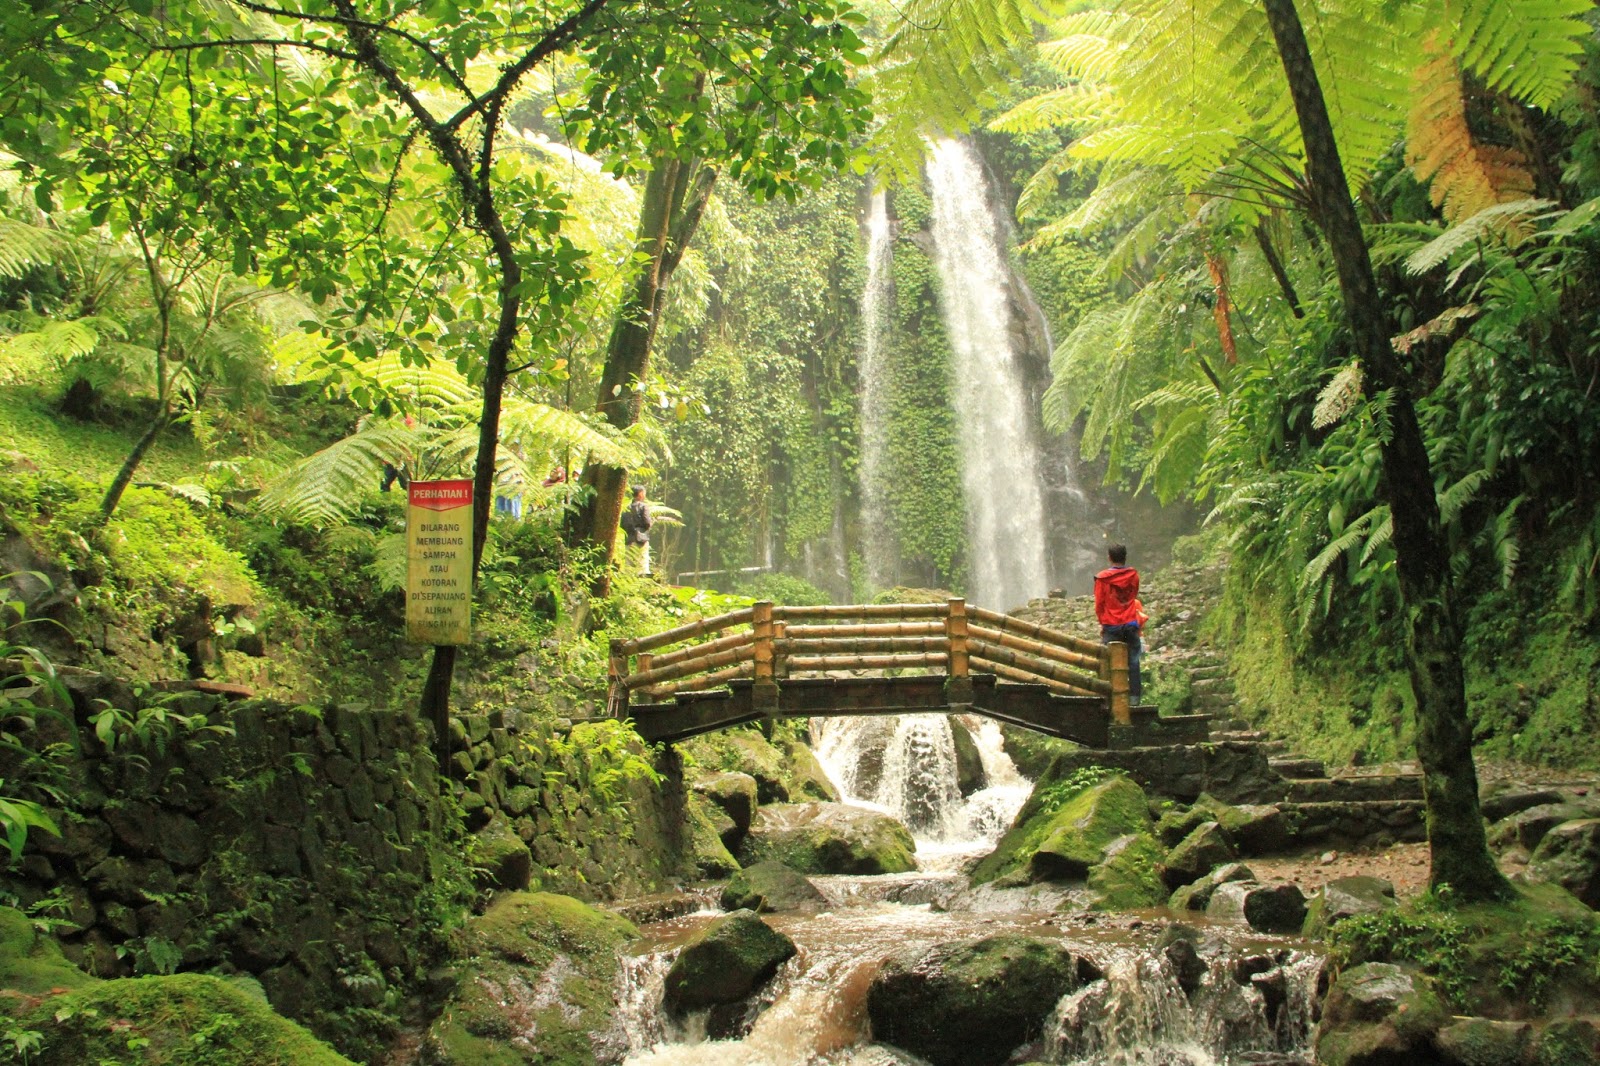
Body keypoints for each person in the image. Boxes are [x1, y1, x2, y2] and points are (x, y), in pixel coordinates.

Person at [1094, 543, 1143, 706]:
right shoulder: (1133, 575)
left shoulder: (1102, 579)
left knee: (1106, 661)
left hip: (1111, 624)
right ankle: (1134, 698)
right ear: (1125, 557)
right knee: (1134, 660)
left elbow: (1099, 604)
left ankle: (1108, 699)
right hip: (1130, 622)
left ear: (1109, 557)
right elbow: (1133, 595)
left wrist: (1103, 623)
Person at [619, 486, 654, 575]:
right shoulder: (643, 506)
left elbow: (622, 525)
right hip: (640, 541)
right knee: (642, 567)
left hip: (629, 540)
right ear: (640, 494)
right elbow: (647, 523)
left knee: (629, 567)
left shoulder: (626, 508)